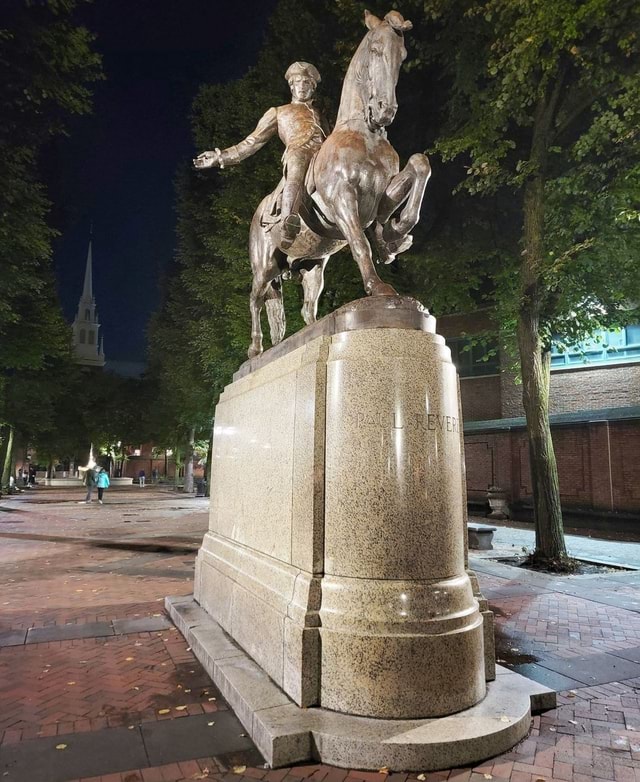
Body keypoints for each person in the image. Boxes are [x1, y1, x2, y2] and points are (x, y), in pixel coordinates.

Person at [194, 62, 328, 249]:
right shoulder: (278, 113)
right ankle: (289, 221)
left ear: (313, 87)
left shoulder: (321, 112)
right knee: (296, 167)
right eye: (298, 82)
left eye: (307, 83)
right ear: (291, 86)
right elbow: (253, 141)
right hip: (299, 152)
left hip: (325, 155)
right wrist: (220, 157)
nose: (302, 87)